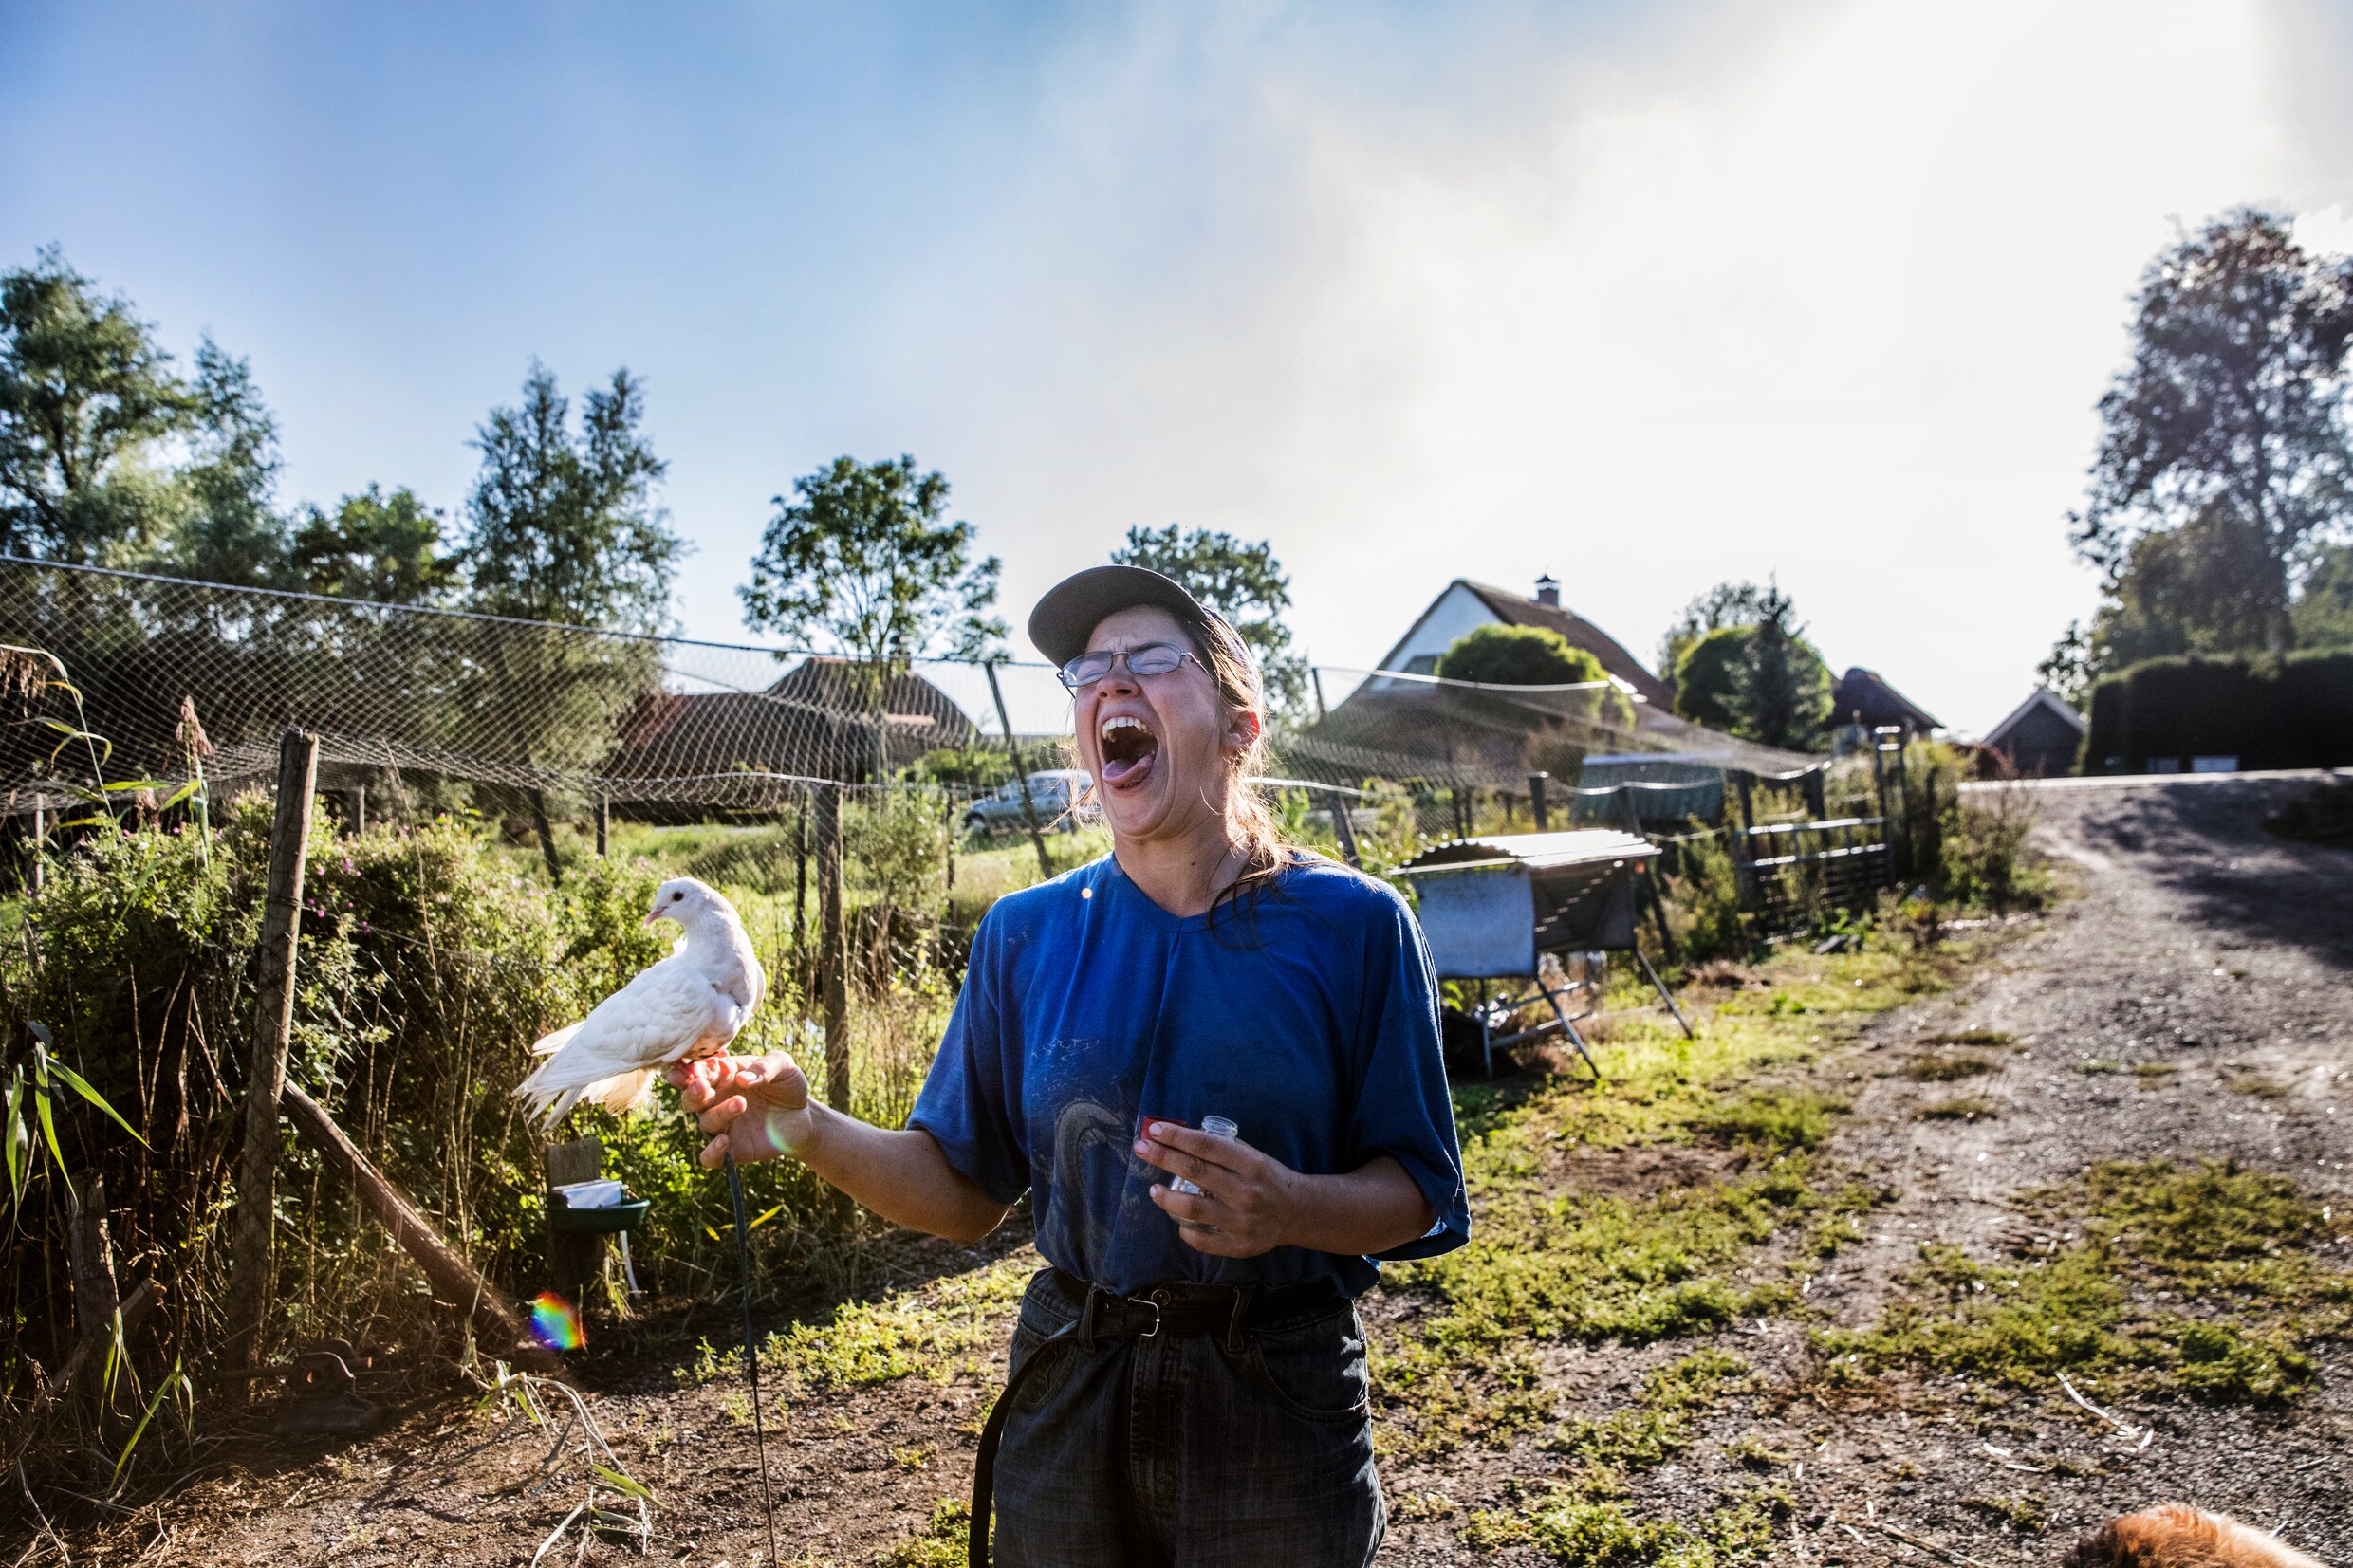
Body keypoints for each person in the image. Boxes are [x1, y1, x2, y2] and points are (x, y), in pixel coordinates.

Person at [669, 564, 1470, 1568]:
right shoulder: (1025, 934)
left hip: (1272, 1380)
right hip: (1071, 1370)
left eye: (1149, 661)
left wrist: (1290, 1209)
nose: (1110, 685)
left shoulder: (1354, 925)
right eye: (1090, 671)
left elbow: (1418, 1188)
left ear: (1239, 727)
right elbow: (962, 1195)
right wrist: (801, 1124)